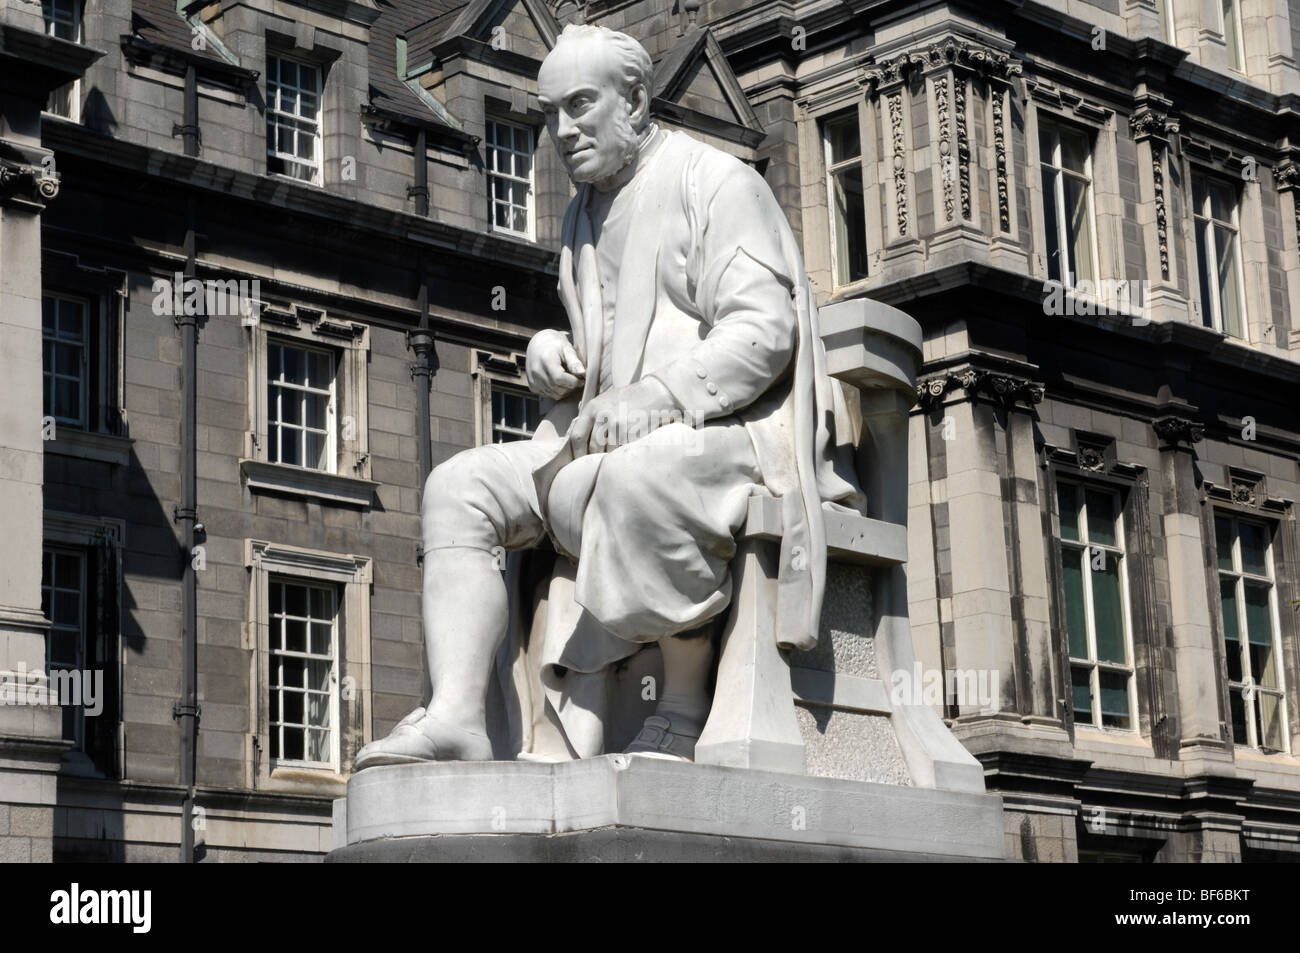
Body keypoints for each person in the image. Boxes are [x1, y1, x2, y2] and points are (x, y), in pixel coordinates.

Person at [353, 23, 860, 769]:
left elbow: (764, 330)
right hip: (604, 433)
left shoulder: (715, 181)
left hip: (728, 425)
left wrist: (655, 396)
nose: (562, 131)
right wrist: (550, 354)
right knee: (456, 486)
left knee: (633, 481)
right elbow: (609, 349)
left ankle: (683, 706)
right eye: (551, 112)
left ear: (636, 99)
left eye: (580, 106)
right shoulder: (583, 213)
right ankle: (459, 714)